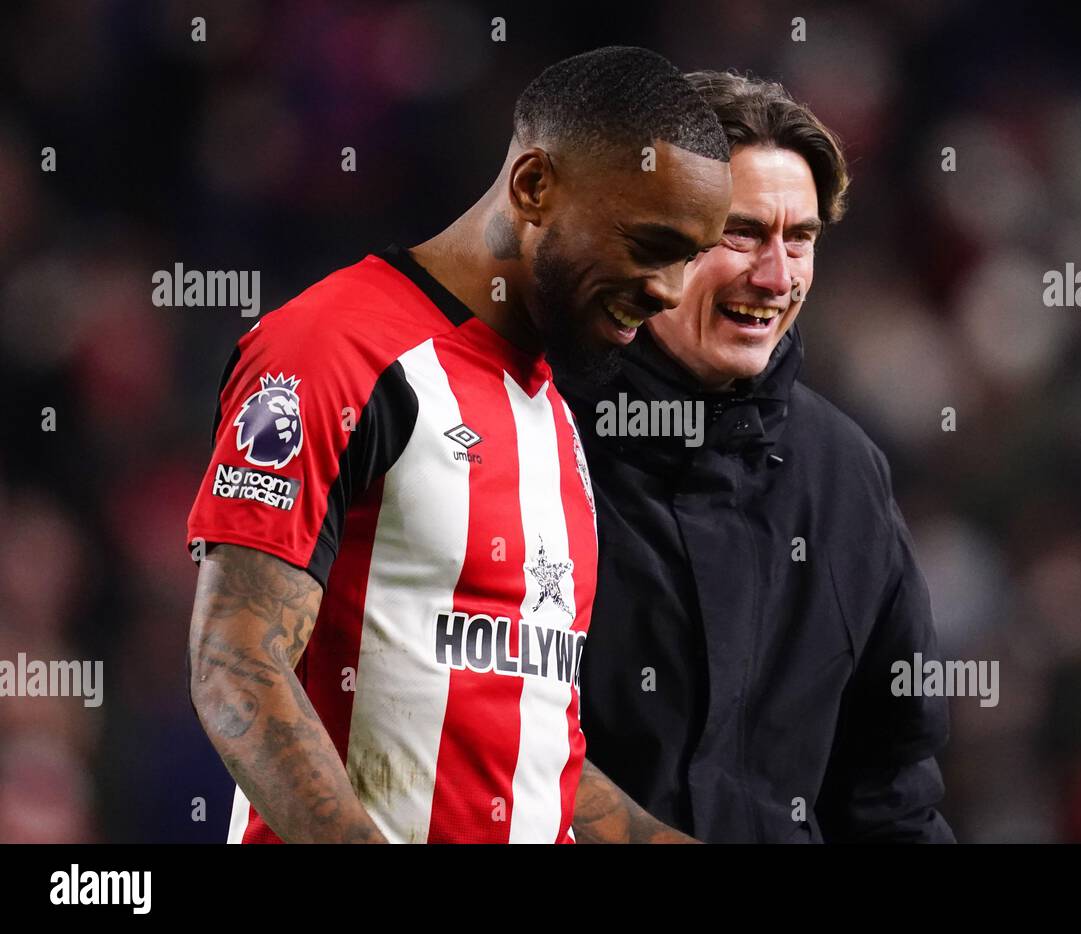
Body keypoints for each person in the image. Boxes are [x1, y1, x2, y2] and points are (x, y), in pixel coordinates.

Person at [184, 46, 732, 844]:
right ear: (534, 186)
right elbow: (236, 663)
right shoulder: (336, 350)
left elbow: (535, 755)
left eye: (689, 259)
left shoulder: (553, 414)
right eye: (651, 245)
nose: (671, 290)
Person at [558, 70, 955, 843]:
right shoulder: (523, 433)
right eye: (740, 233)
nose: (775, 277)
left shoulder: (844, 474)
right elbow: (475, 742)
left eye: (799, 238)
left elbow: (892, 788)